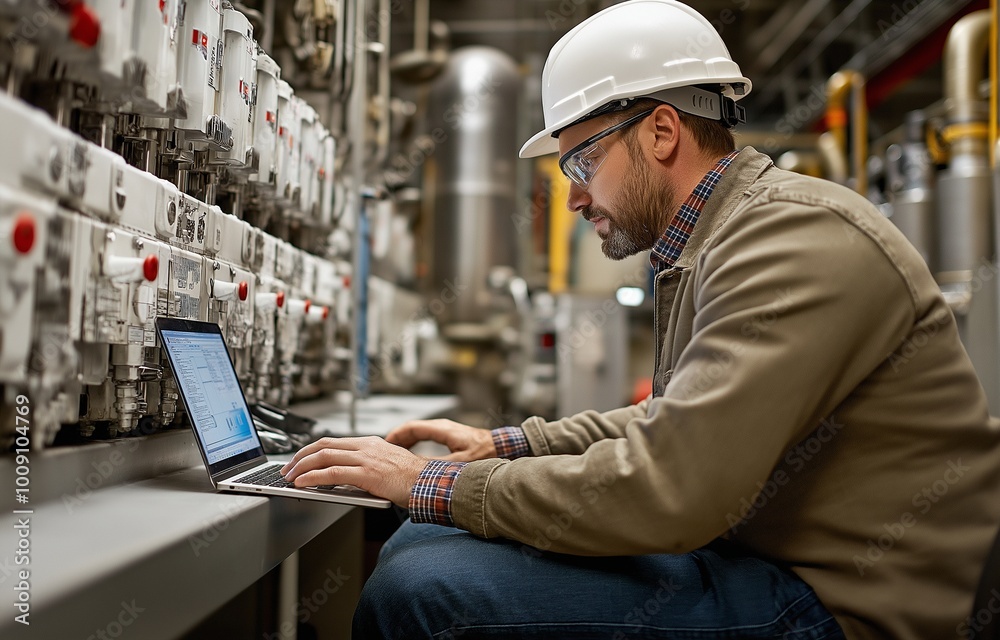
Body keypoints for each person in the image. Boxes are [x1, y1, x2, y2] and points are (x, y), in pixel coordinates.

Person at [280, 1, 1000, 638]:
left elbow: (671, 488)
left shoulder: (792, 241)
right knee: (415, 547)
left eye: (582, 164)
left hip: (844, 606)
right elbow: (671, 424)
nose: (573, 199)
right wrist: (503, 446)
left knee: (424, 589)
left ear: (660, 132)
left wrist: (426, 483)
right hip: (772, 561)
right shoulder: (722, 239)